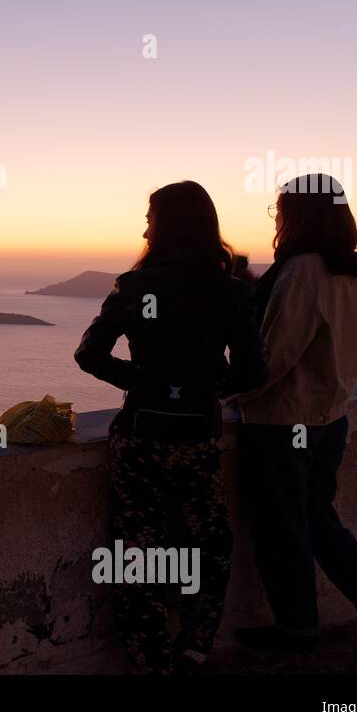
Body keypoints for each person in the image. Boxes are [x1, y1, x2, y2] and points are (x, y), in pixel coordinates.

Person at [76, 181, 266, 674]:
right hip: (197, 438)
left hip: (139, 433)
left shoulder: (134, 287)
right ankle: (195, 644)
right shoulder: (231, 292)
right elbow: (252, 373)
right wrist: (208, 384)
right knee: (211, 544)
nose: (144, 227)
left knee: (137, 552)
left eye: (149, 217)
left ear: (164, 226)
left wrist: (141, 380)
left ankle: (149, 661)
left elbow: (89, 354)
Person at [232, 173, 357, 666]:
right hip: (328, 419)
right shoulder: (349, 270)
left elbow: (273, 357)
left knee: (283, 529)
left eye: (281, 209)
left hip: (283, 423)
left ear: (297, 214)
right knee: (317, 523)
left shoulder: (303, 272)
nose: (276, 218)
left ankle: (299, 628)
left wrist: (225, 392)